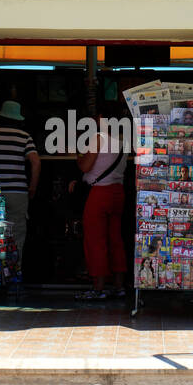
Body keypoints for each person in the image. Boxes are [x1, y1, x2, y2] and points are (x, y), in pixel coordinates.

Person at [75, 109, 128, 300]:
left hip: (100, 193)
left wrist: (78, 156)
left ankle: (98, 287)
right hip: (118, 193)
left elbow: (85, 166)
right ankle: (119, 285)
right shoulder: (123, 142)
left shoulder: (99, 138)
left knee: (95, 240)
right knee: (115, 239)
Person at [0, 100, 39, 265]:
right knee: (17, 234)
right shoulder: (24, 137)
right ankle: (14, 275)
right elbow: (36, 162)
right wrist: (32, 187)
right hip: (18, 192)